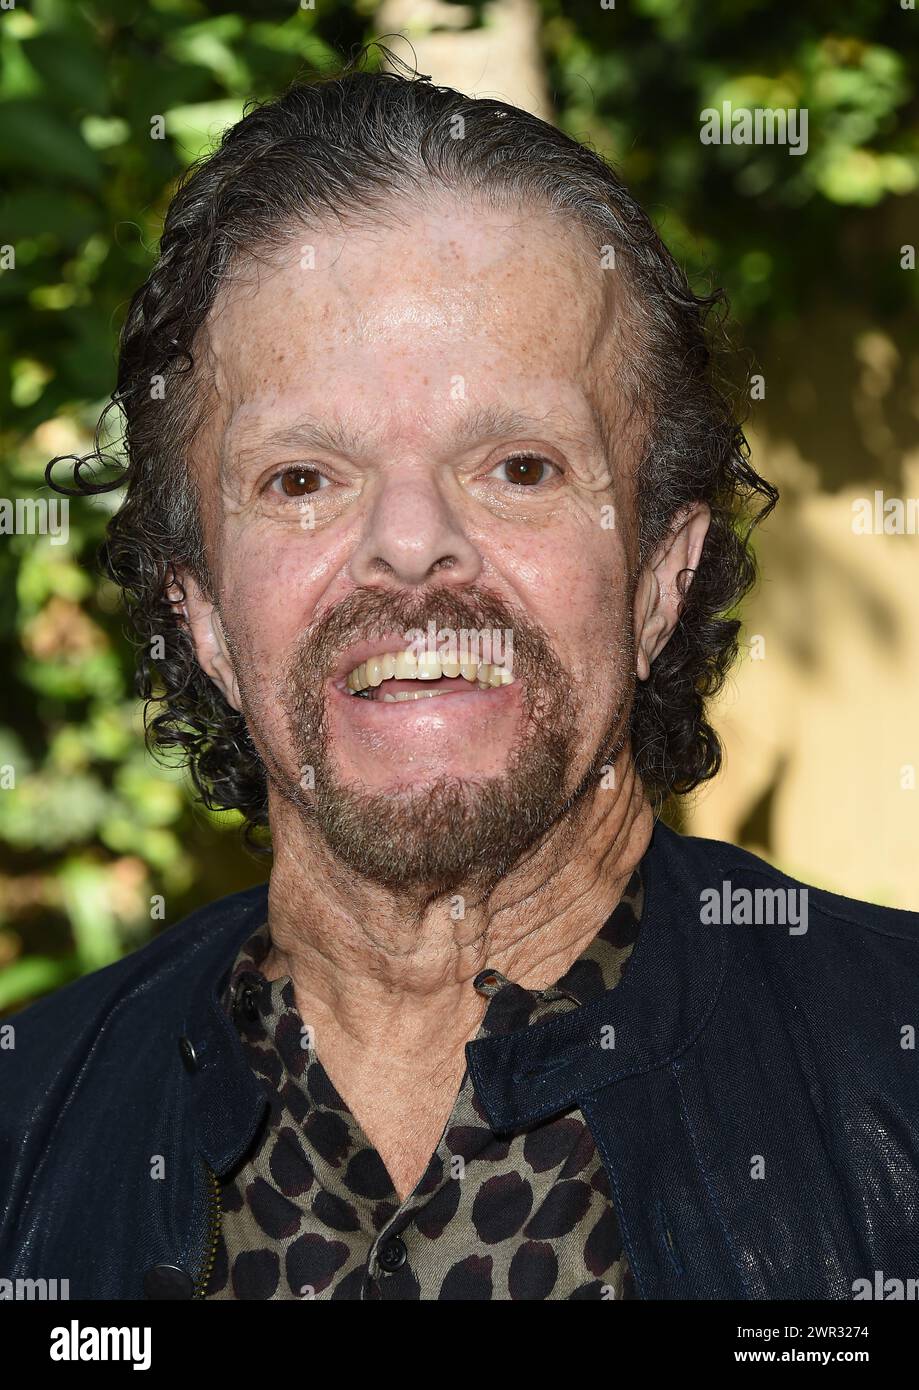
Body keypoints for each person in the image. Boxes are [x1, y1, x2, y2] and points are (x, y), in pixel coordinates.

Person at [2, 61, 917, 1302]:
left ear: (661, 574)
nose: (411, 543)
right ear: (203, 614)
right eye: (303, 479)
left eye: (520, 466)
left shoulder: (892, 1092)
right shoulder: (24, 1135)